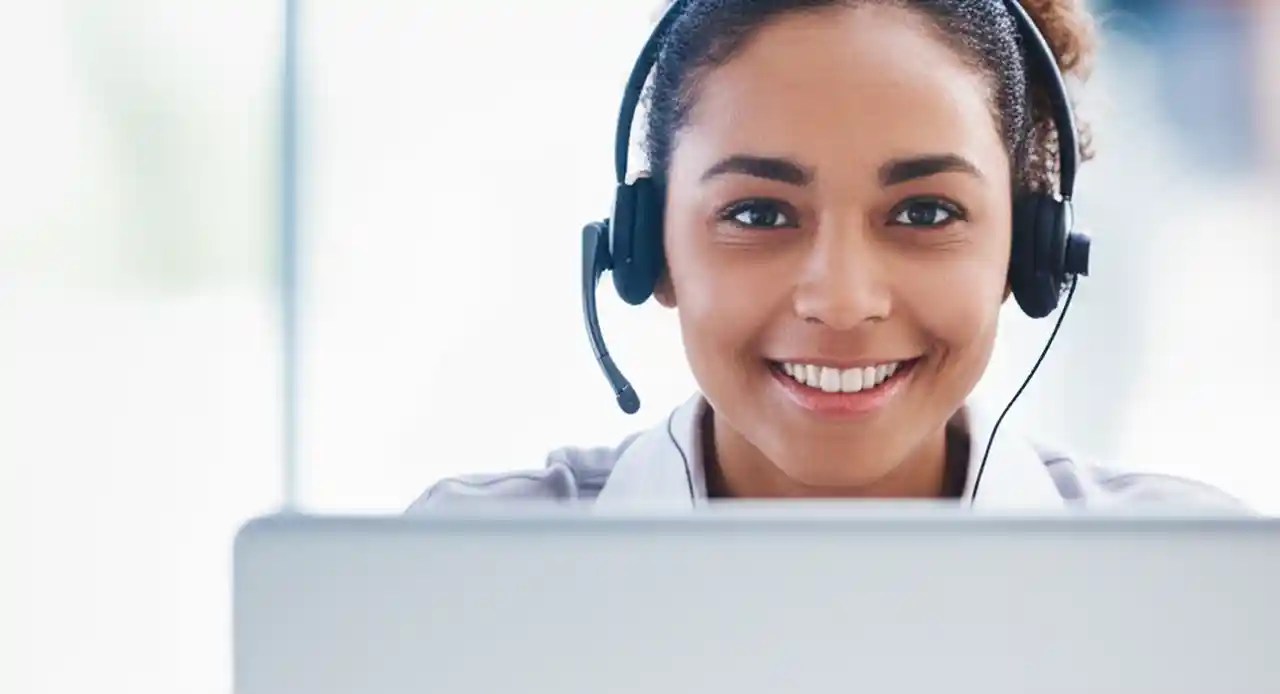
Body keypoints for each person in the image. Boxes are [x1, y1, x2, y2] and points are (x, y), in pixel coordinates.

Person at [412, 0, 1242, 511]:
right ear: (647, 247)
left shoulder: (1201, 587)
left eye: (924, 211)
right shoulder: (451, 576)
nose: (842, 302)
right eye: (759, 212)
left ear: (1030, 250)